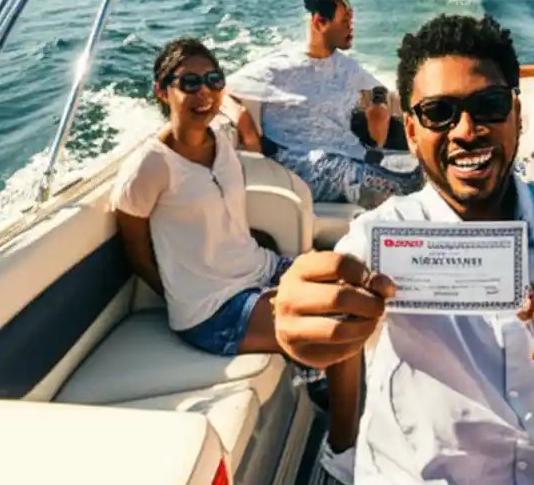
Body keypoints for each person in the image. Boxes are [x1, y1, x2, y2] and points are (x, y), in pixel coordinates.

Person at [271, 14, 534, 484]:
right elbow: (312, 327)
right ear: (413, 130)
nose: (466, 130)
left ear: (518, 115)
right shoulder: (374, 236)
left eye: (488, 105)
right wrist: (298, 326)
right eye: (438, 113)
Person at [110, 38, 359, 481]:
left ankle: (325, 385)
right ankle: (343, 454)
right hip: (213, 308)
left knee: (352, 274)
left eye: (213, 80)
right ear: (162, 91)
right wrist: (181, 297)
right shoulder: (150, 166)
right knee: (339, 332)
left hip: (260, 269)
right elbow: (135, 252)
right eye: (189, 82)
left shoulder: (221, 138)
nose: (204, 92)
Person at [227, 0, 422, 206]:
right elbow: (221, 91)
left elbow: (380, 94)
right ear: (320, 22)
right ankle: (399, 191)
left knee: (403, 168)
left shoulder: (350, 69)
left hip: (350, 157)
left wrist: (378, 117)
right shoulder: (278, 67)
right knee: (338, 168)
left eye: (352, 19)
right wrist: (245, 120)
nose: (352, 27)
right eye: (345, 20)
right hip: (297, 163)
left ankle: (404, 191)